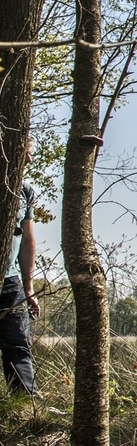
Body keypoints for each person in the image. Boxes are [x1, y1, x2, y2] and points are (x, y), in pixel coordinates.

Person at [1, 135, 40, 397]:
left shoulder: (25, 192)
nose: (30, 158)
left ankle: (26, 403)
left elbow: (28, 241)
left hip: (11, 282)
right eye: (27, 152)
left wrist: (28, 287)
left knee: (18, 344)